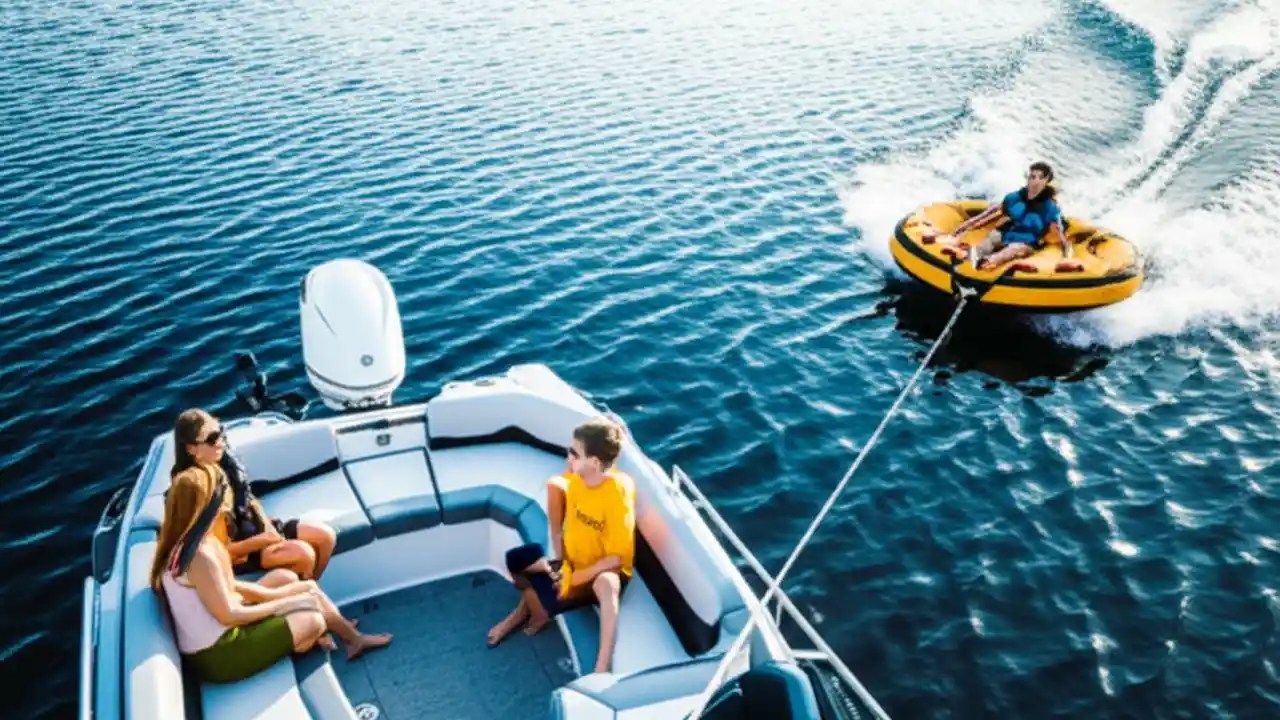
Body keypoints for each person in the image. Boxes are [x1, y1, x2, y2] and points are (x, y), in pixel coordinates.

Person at [152, 409, 391, 683]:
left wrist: (293, 592)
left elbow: (229, 588)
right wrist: (288, 602)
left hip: (223, 620)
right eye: (219, 498)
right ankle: (315, 630)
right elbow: (230, 615)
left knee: (290, 580)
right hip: (222, 651)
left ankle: (351, 638)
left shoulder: (192, 541)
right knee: (312, 617)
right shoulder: (201, 553)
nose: (226, 504)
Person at [486, 417, 635, 674]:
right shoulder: (575, 479)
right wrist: (560, 558)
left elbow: (614, 561)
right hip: (572, 562)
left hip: (598, 572)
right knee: (516, 560)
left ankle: (602, 665)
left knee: (607, 583)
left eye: (574, 453)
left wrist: (572, 578)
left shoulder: (617, 496)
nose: (568, 456)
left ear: (595, 463)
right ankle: (526, 613)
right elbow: (557, 505)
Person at [220, 444, 337, 581]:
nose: (219, 443)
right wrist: (261, 541)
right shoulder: (207, 491)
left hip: (259, 529)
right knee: (303, 554)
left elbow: (249, 500)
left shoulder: (228, 466)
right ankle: (302, 588)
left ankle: (310, 583)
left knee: (325, 536)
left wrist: (269, 530)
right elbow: (216, 552)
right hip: (244, 551)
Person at [939, 161, 1076, 271]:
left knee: (1013, 249)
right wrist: (956, 232)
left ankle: (988, 262)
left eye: (1040, 178)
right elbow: (986, 217)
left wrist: (1067, 258)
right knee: (991, 239)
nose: (1035, 182)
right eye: (1032, 177)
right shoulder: (1014, 198)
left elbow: (1064, 239)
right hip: (1006, 234)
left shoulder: (1051, 208)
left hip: (1026, 243)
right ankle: (966, 256)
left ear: (1046, 182)